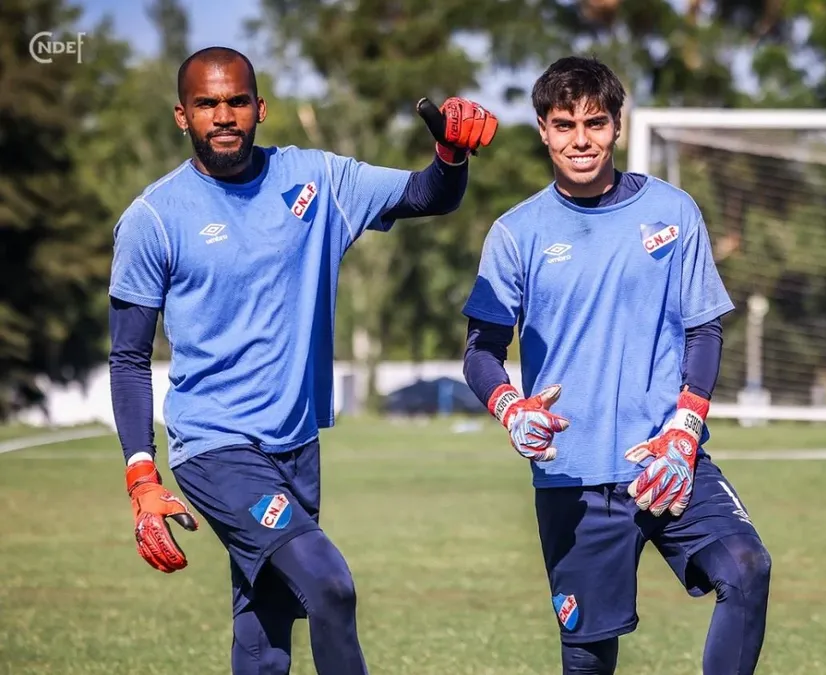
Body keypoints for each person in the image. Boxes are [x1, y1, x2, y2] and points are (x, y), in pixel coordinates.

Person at [107, 46, 496, 674]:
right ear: (183, 116)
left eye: (236, 101)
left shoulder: (318, 179)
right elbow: (127, 357)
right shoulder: (153, 219)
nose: (224, 115)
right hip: (216, 448)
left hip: (295, 445)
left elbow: (429, 195)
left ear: (260, 108)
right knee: (329, 585)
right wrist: (141, 476)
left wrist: (450, 155)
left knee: (265, 630)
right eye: (207, 104)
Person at [460, 55, 772, 675]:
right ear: (543, 131)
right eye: (564, 124)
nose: (581, 140)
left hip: (668, 460)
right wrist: (510, 409)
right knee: (588, 658)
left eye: (595, 123)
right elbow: (480, 352)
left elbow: (703, 329)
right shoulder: (516, 232)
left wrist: (685, 429)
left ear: (618, 125)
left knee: (746, 568)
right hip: (573, 479)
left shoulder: (673, 211)